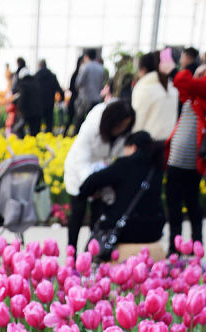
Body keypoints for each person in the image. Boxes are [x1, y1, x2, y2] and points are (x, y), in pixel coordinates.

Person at [64, 99, 135, 249]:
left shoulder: (123, 134)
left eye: (125, 126)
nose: (122, 129)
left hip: (101, 174)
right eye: (120, 125)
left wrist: (102, 185)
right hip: (79, 172)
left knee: (98, 216)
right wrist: (91, 187)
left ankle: (93, 252)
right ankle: (72, 253)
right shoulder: (91, 127)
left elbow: (118, 160)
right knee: (78, 213)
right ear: (112, 122)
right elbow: (81, 160)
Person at [78, 131, 165, 249]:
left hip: (126, 231)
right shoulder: (156, 167)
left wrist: (87, 195)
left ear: (133, 147)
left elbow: (91, 182)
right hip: (154, 230)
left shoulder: (125, 164)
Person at [167, 62, 206, 249]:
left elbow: (183, 80)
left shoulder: (201, 91)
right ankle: (175, 246)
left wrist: (178, 70)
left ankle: (196, 246)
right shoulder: (192, 96)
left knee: (192, 205)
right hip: (175, 159)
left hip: (192, 162)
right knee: (174, 206)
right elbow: (182, 86)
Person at [132, 52, 178, 145]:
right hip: (169, 143)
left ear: (143, 70)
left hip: (148, 144)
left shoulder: (144, 88)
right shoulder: (171, 88)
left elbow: (137, 121)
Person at [74, 49, 106, 129]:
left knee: (80, 121)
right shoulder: (101, 68)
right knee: (93, 122)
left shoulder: (85, 67)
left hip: (85, 99)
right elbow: (102, 85)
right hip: (96, 99)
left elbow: (78, 83)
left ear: (86, 56)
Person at [12, 58, 43, 136]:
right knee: (34, 133)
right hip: (37, 112)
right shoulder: (36, 83)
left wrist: (19, 108)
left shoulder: (22, 85)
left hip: (26, 112)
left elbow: (21, 99)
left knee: (20, 131)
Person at [35, 60, 62, 132]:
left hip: (39, 102)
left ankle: (37, 138)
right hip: (49, 102)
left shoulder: (36, 76)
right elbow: (58, 88)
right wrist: (61, 99)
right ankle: (49, 137)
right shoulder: (52, 76)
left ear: (39, 66)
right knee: (49, 122)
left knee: (37, 123)